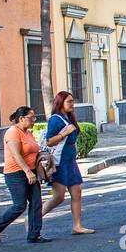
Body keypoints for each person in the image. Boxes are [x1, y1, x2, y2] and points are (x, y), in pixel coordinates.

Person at [0, 106, 48, 244]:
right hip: (16, 174)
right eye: (31, 117)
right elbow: (16, 155)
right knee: (19, 205)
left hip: (31, 172)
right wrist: (27, 171)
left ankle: (34, 235)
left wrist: (41, 161)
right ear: (21, 118)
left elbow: (33, 151)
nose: (34, 120)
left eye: (34, 117)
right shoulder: (12, 133)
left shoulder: (28, 133)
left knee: (36, 203)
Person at [41, 90, 95, 234]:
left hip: (70, 161)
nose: (72, 104)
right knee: (58, 197)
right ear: (60, 103)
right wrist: (63, 133)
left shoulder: (68, 117)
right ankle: (34, 218)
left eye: (72, 101)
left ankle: (77, 226)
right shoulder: (55, 119)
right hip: (59, 162)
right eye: (69, 101)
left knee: (77, 192)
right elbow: (49, 141)